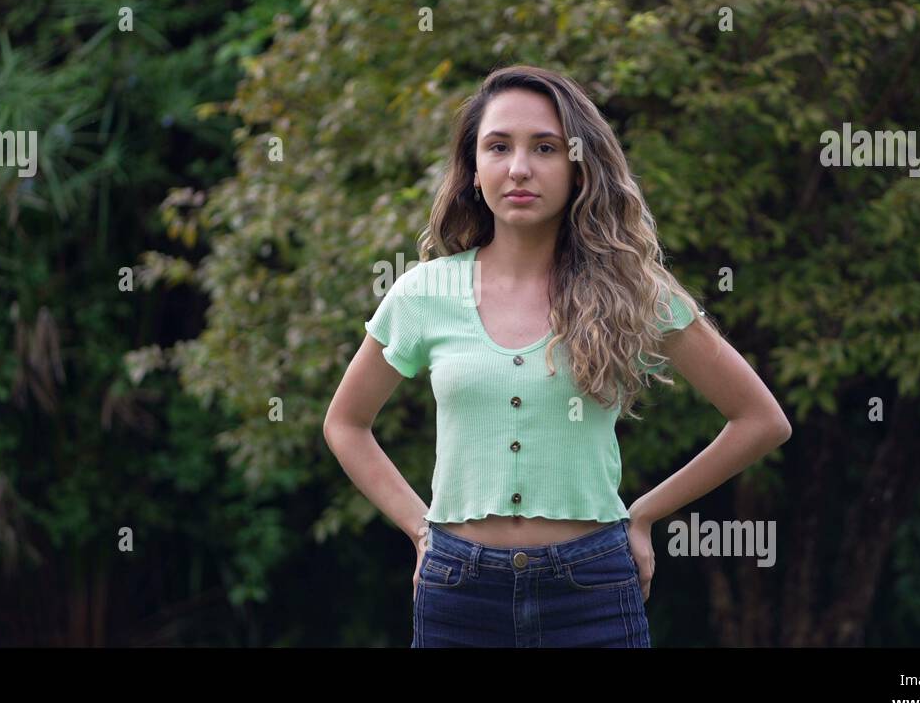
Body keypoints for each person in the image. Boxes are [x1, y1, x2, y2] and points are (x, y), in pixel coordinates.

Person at [323, 64, 792, 647]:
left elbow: (760, 420)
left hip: (592, 589)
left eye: (545, 147)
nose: (519, 167)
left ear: (578, 166)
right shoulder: (424, 293)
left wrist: (643, 514)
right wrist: (421, 530)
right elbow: (345, 423)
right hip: (457, 596)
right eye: (498, 147)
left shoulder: (634, 289)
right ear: (473, 170)